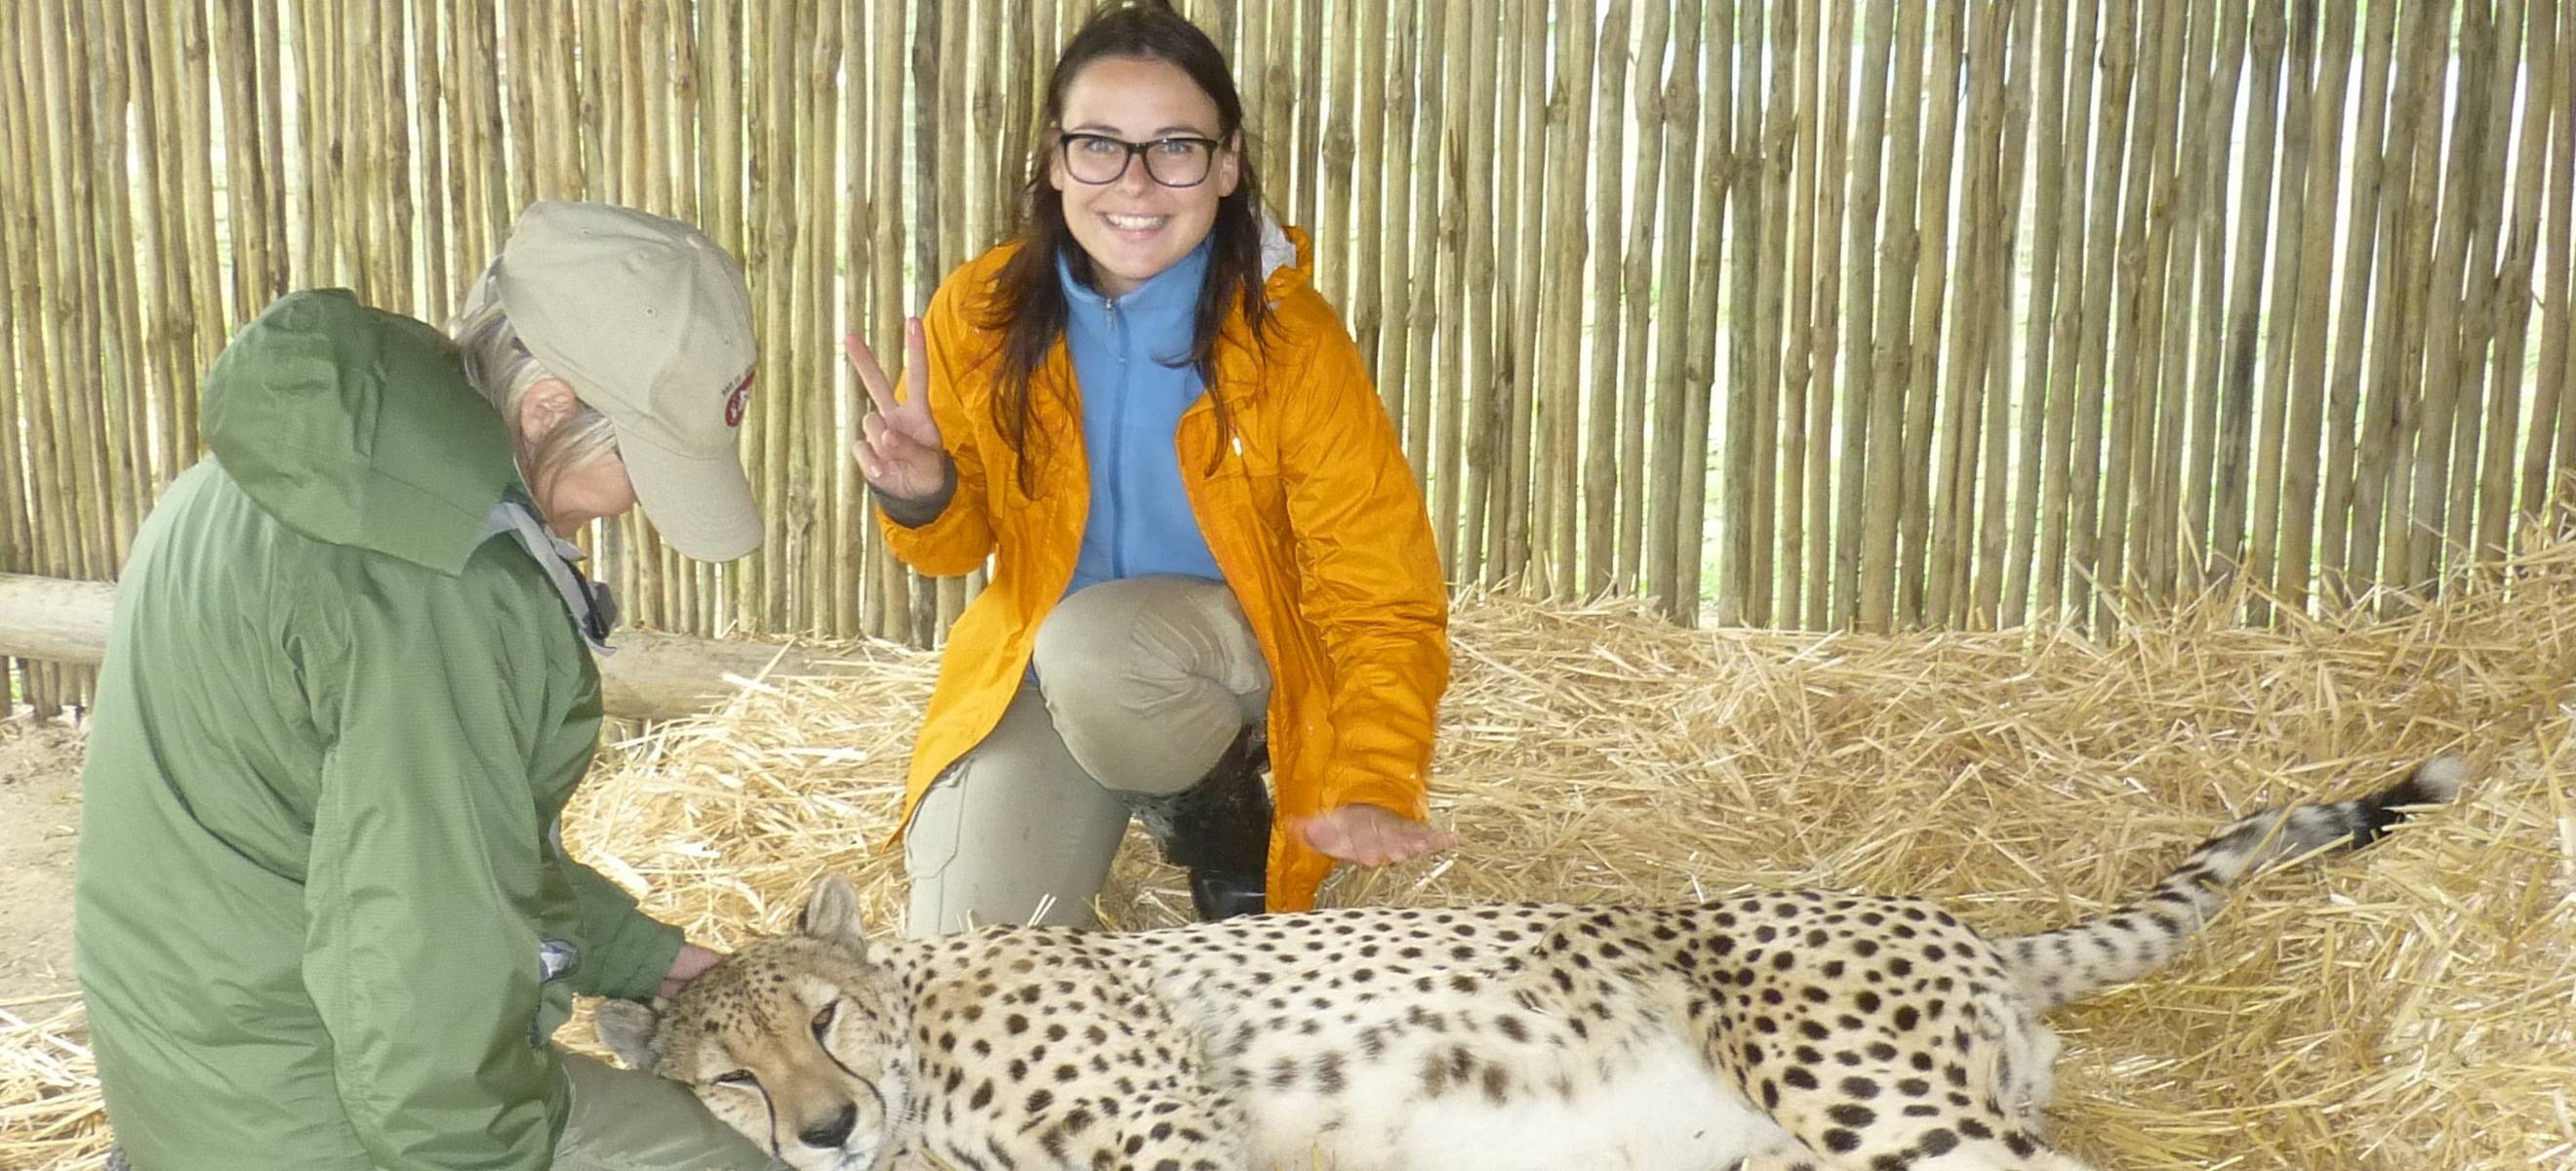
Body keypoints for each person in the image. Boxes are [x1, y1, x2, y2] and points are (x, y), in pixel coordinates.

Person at [73, 202, 778, 1171]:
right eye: (640, 462)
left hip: (190, 1070)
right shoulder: (451, 589)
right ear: (548, 408)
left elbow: (432, 842)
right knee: (733, 1160)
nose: (644, 506)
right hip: (307, 1115)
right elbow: (415, 970)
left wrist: (645, 958)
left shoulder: (322, 460)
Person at [848, 1, 1455, 935]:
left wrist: (1374, 775)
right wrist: (923, 493)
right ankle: (1160, 789)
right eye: (1100, 145)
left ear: (1227, 165)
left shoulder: (1291, 338)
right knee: (968, 961)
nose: (1134, 182)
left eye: (1174, 147)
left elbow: (1382, 586)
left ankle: (1222, 814)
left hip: (1233, 660)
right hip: (1053, 671)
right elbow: (951, 548)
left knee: (1100, 649)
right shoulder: (983, 309)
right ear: (1054, 161)